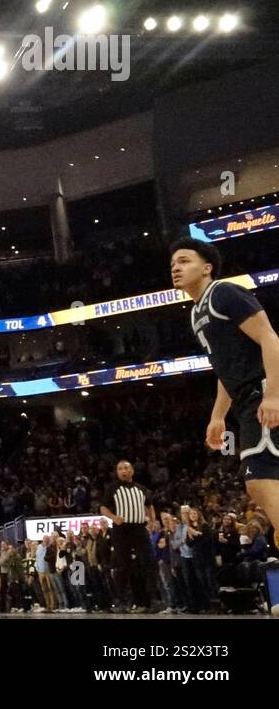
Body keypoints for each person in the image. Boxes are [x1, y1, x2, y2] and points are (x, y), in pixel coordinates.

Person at [170, 239, 279, 528]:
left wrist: (273, 396)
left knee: (261, 478)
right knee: (264, 478)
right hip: (246, 398)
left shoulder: (223, 292)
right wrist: (218, 416)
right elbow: (224, 369)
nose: (175, 268)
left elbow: (270, 337)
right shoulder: (196, 314)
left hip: (263, 390)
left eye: (184, 261)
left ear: (207, 268)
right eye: (173, 264)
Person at [99, 460, 163, 613]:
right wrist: (114, 518)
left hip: (139, 529)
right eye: (120, 469)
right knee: (123, 566)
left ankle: (154, 600)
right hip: (121, 530)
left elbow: (150, 505)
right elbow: (103, 507)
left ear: (132, 471)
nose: (123, 471)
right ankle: (121, 601)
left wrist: (152, 521)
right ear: (117, 472)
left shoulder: (141, 488)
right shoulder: (112, 488)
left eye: (126, 468)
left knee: (150, 562)